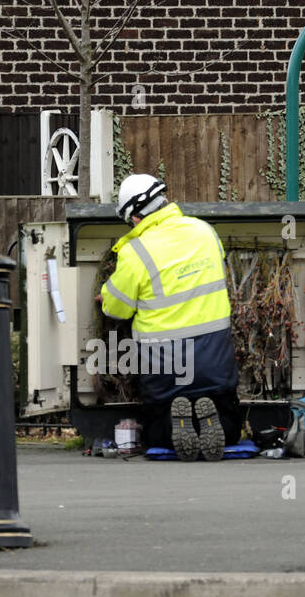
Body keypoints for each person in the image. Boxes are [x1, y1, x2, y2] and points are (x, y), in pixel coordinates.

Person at [96, 173, 241, 461]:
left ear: (135, 217)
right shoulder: (205, 232)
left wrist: (106, 296)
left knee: (157, 431)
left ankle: (173, 425)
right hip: (215, 357)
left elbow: (116, 308)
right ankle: (214, 422)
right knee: (230, 423)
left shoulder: (135, 251)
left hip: (166, 365)